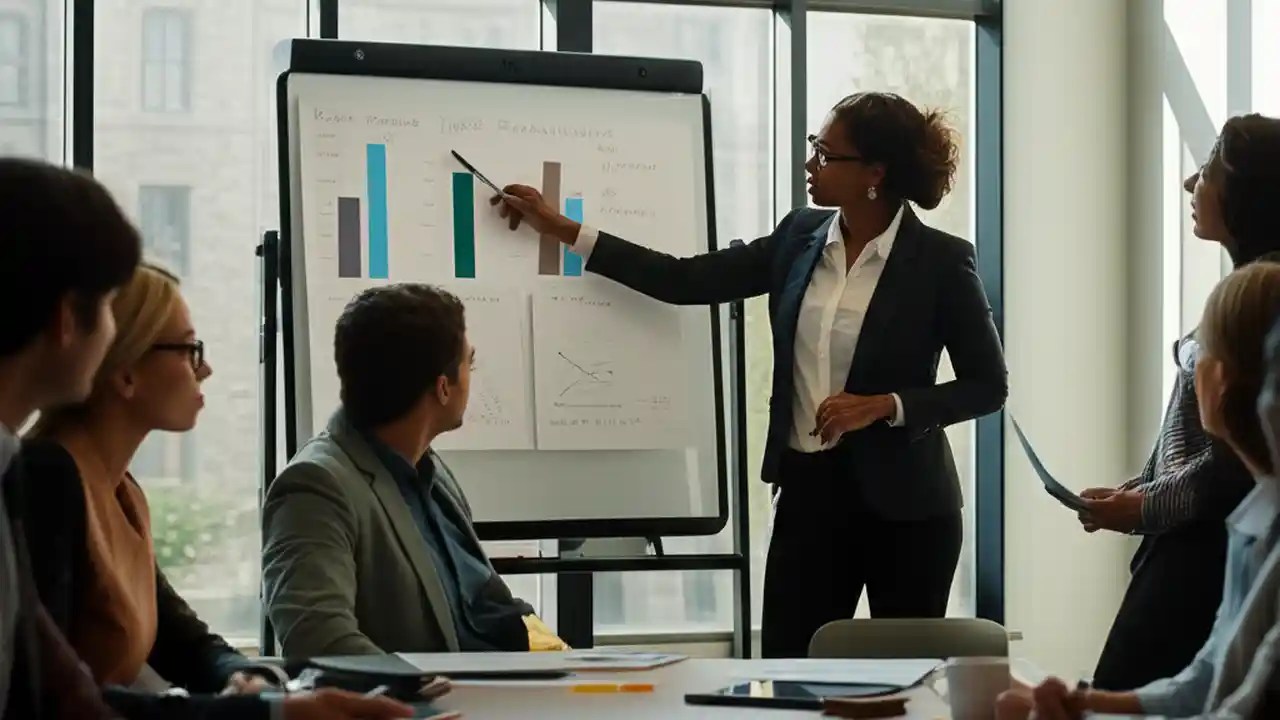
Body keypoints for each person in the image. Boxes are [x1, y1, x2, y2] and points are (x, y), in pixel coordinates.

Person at [493, 91, 1008, 656]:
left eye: (826, 153)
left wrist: (885, 404)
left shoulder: (940, 260)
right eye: (815, 148)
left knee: (900, 681)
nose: (810, 164)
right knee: (789, 669)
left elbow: (988, 385)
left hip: (909, 511)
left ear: (874, 173)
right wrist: (560, 226)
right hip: (809, 496)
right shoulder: (798, 238)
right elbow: (683, 280)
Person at [0, 159, 411, 720]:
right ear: (69, 321)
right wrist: (271, 714)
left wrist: (254, 685)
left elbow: (177, 643)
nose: (206, 370)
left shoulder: (118, 488)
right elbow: (54, 706)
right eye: (190, 350)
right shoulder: (44, 477)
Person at [1007, 261, 1280, 719]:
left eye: (1200, 351)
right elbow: (1204, 681)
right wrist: (1086, 703)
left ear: (1225, 380)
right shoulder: (1252, 522)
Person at [1080, 113, 1280, 690]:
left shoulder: (1263, 298)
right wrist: (1141, 489)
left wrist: (1145, 508)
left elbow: (1235, 457)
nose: (1191, 184)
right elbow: (1189, 430)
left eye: (1208, 170)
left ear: (1245, 190)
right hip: (1186, 547)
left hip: (1203, 559)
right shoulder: (1243, 286)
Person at [262, 284, 565, 659]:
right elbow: (319, 639)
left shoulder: (430, 471)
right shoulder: (316, 487)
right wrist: (428, 692)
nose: (472, 375)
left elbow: (481, 604)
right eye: (468, 363)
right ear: (442, 388)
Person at [0, 157, 141, 719]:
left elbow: (68, 698)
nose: (113, 330)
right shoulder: (37, 473)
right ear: (65, 318)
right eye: (108, 305)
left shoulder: (9, 468)